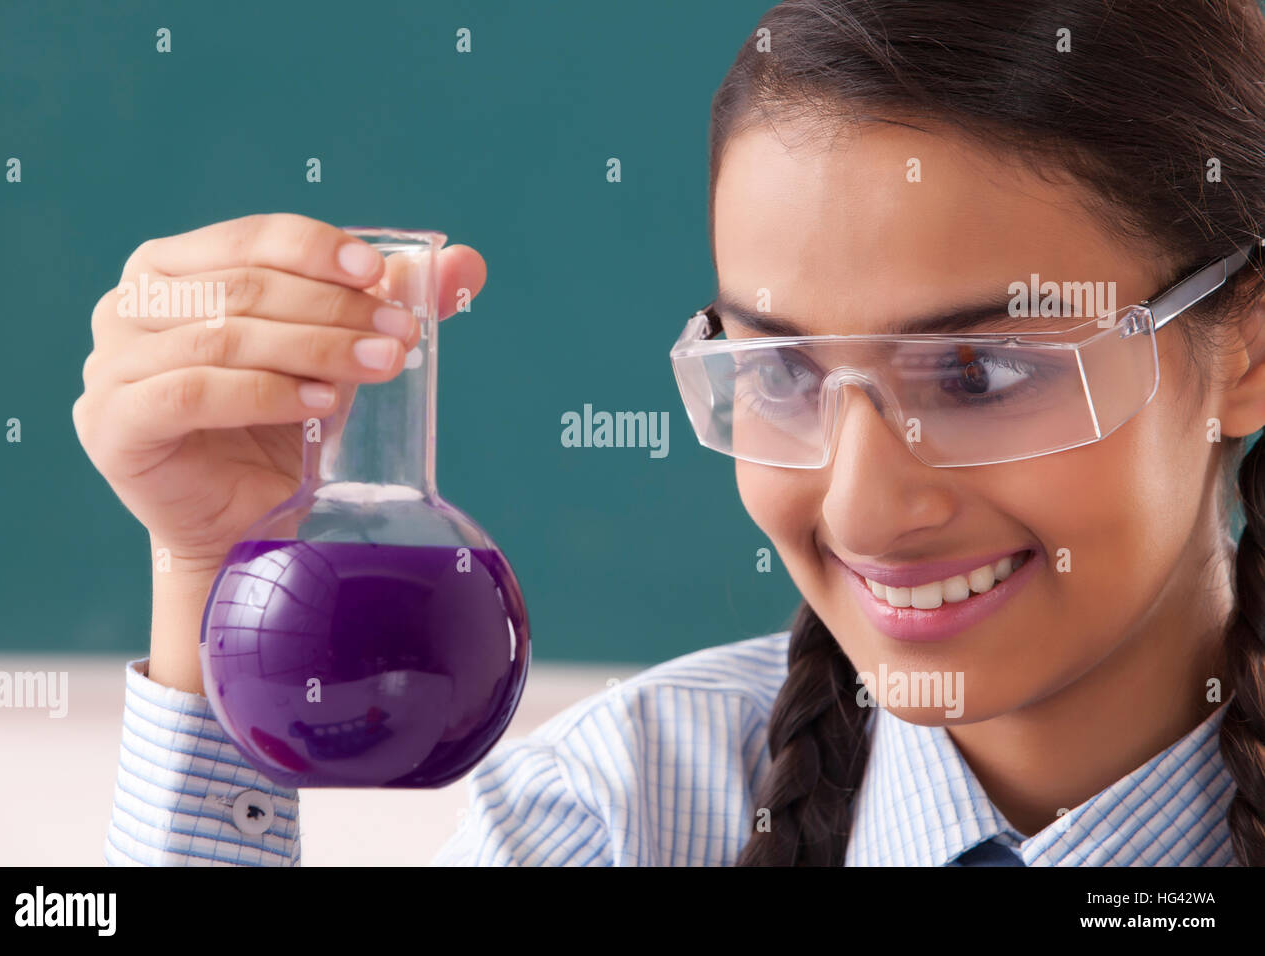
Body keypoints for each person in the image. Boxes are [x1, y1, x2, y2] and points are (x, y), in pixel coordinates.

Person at [75, 0, 1265, 866]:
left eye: (981, 369)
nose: (859, 507)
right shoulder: (613, 813)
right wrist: (208, 570)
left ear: (1244, 351)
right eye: (782, 369)